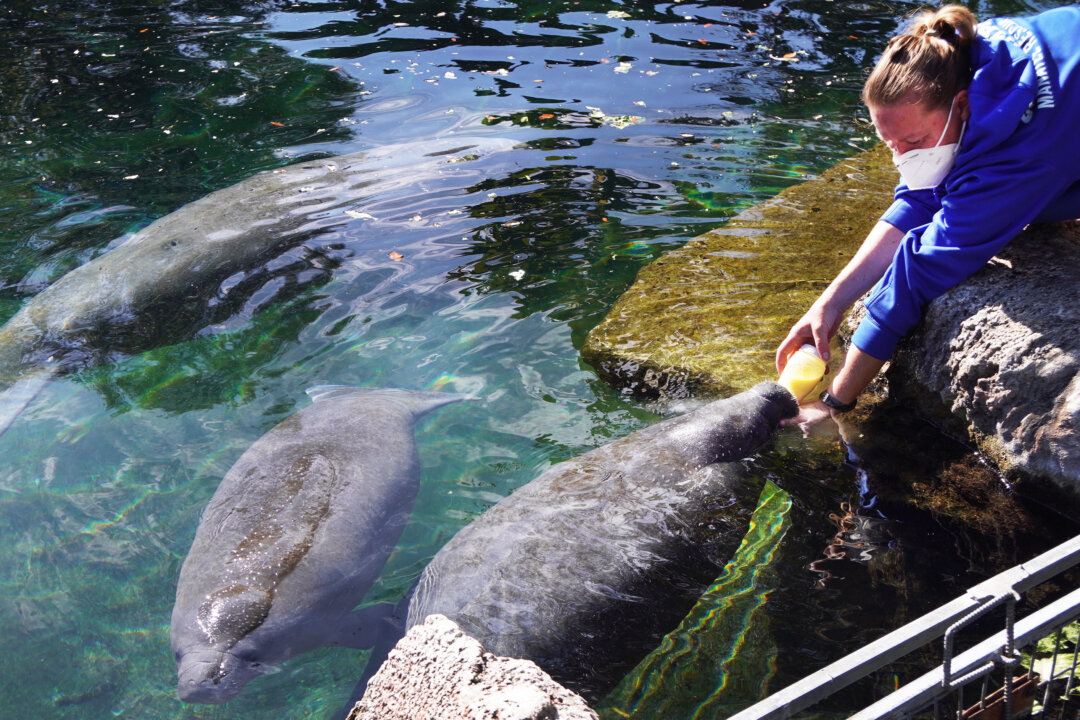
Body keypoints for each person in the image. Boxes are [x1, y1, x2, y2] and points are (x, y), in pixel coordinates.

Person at [775, 3, 1080, 428]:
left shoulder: (1025, 155)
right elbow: (920, 197)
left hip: (1063, 122)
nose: (902, 156)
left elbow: (919, 269)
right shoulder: (955, 53)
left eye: (914, 139)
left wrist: (836, 401)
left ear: (961, 106)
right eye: (890, 142)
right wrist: (828, 305)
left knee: (1029, 201)